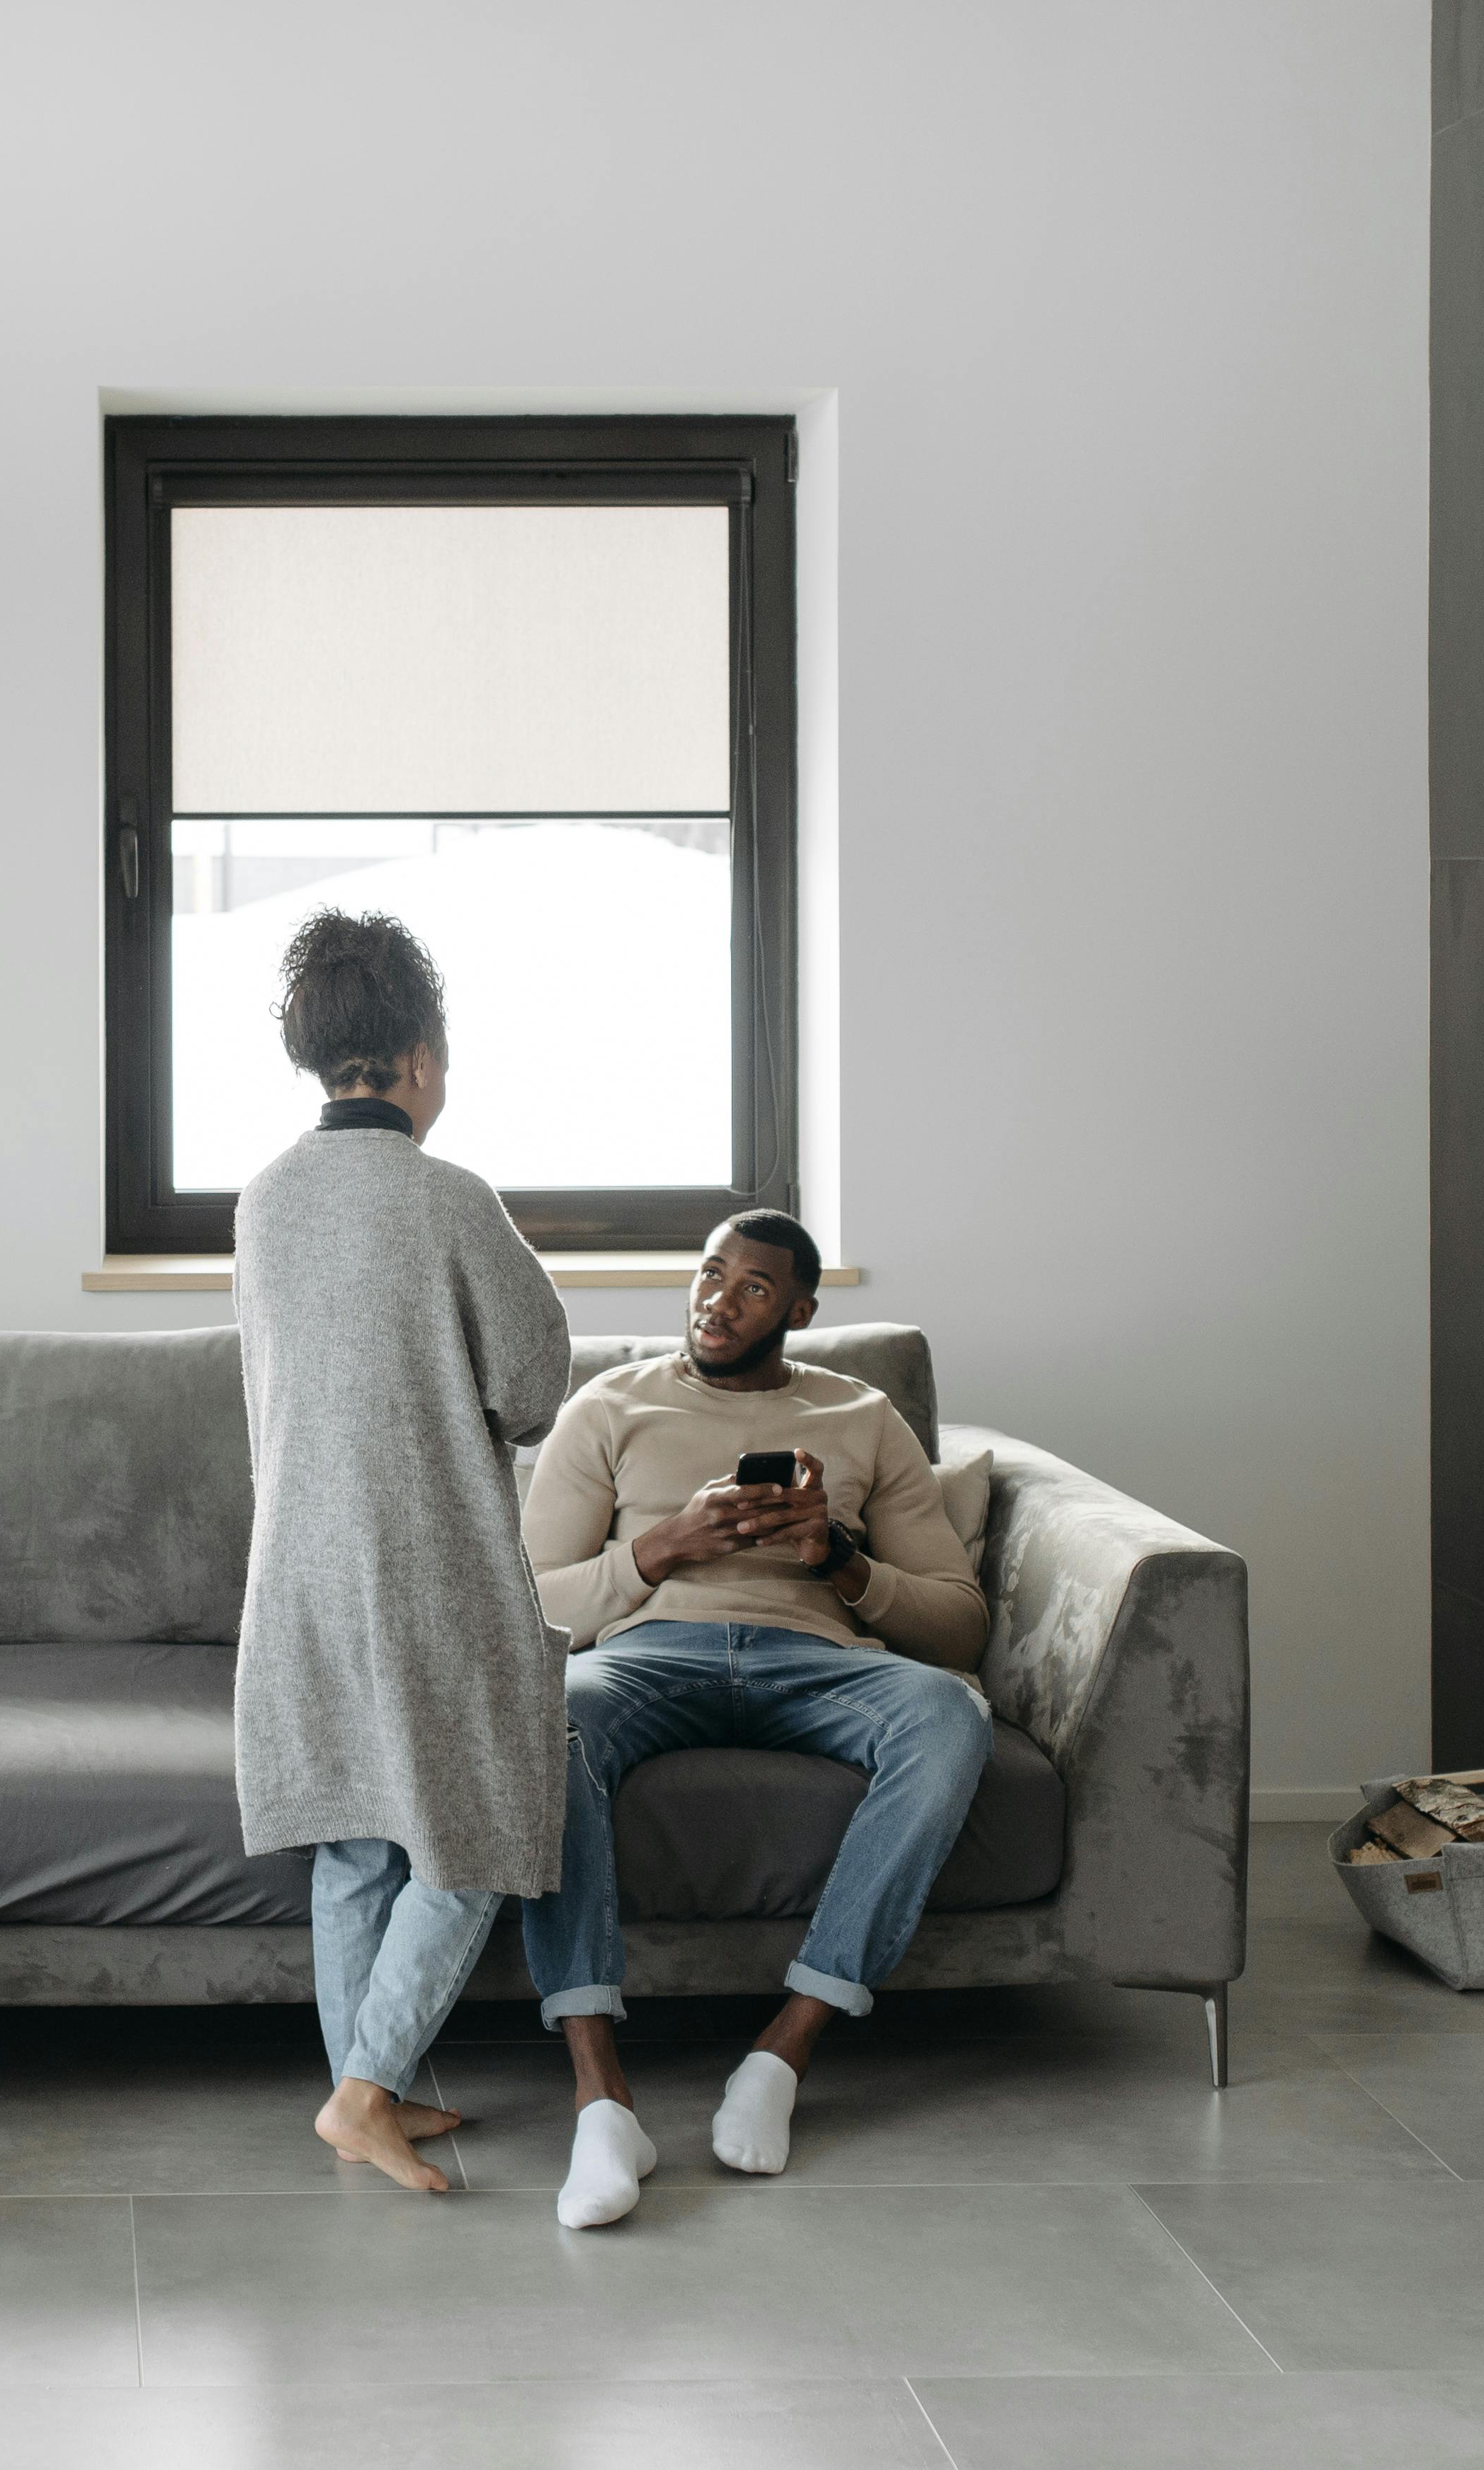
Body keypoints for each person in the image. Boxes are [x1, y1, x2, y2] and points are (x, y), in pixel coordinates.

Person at [517, 1208, 990, 2226]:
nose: (716, 1300)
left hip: (819, 1660)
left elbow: (957, 1624)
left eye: (751, 1287)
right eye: (707, 1274)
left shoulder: (862, 1416)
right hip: (647, 1657)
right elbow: (523, 1597)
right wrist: (661, 1547)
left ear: (801, 1309)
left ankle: (785, 2048)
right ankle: (601, 2097)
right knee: (544, 1718)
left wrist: (838, 1557)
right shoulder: (608, 1405)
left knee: (948, 1714)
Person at [231, 909, 573, 2192]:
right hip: (427, 1568)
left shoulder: (261, 1204)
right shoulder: (448, 1200)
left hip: (297, 1571)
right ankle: (366, 2092)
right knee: (478, 1832)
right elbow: (535, 1385)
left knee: (355, 1838)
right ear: (421, 1056)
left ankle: (359, 2092)